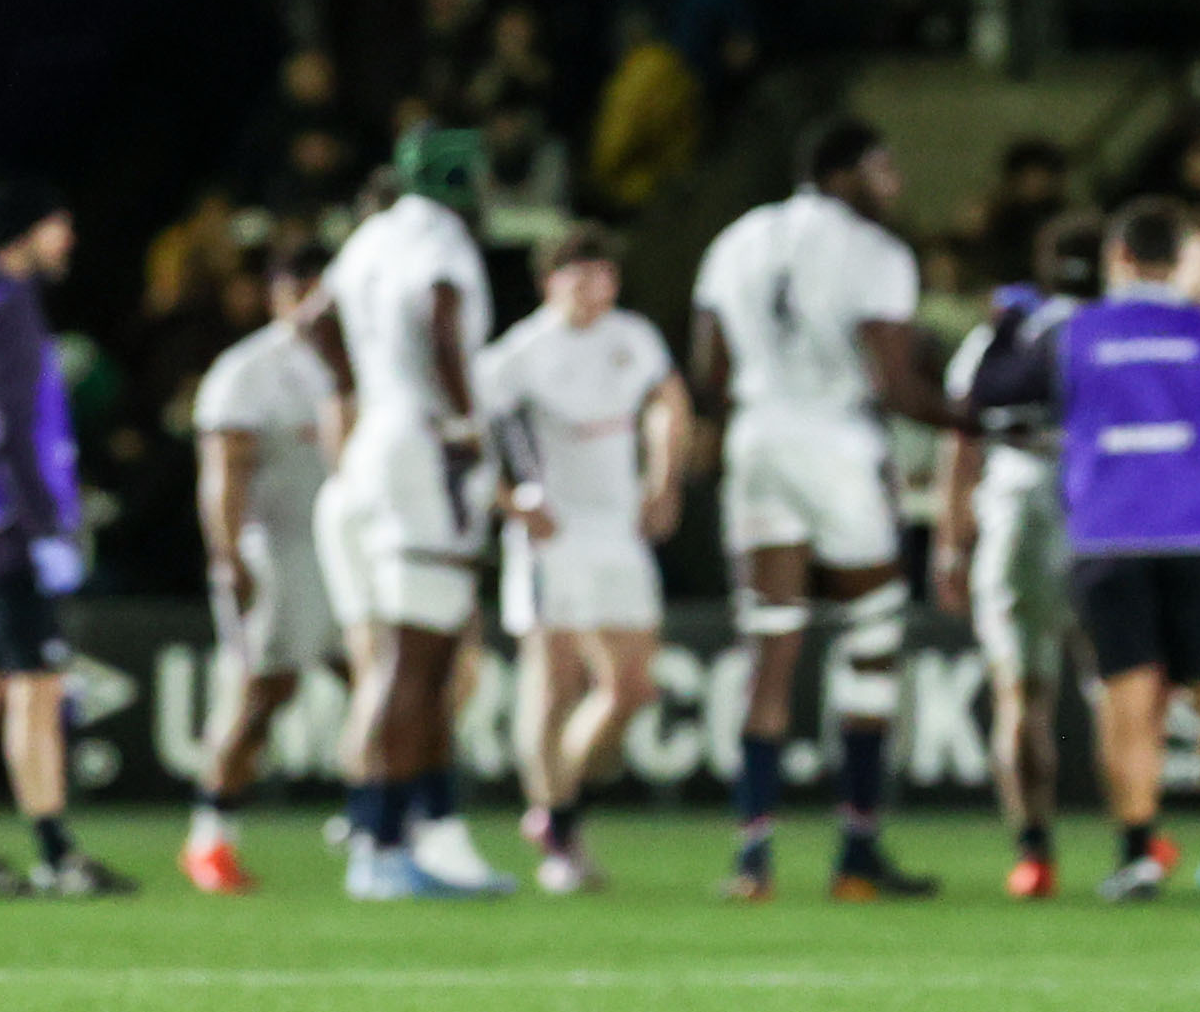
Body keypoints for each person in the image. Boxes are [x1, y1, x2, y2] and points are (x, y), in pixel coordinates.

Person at [962, 197, 1200, 900]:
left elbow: (987, 395)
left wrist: (1008, 326)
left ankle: (1139, 852)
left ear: (1118, 259)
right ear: (1181, 263)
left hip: (1110, 535)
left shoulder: (1074, 335)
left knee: (1130, 693)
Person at [687, 112, 954, 901]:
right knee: (870, 642)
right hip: (834, 449)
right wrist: (980, 420)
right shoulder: (875, 253)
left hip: (757, 443)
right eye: (883, 170)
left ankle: (752, 858)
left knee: (770, 653)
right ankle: (857, 855)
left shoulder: (738, 238)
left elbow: (709, 363)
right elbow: (895, 384)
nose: (895, 185)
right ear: (842, 173)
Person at [0, 177, 132, 898]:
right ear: (22, 233)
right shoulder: (8, 308)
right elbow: (10, 435)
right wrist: (44, 528)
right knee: (36, 689)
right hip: (1, 528)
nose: (66, 237)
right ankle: (56, 852)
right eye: (55, 223)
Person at [313, 137, 515, 899]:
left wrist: (357, 390)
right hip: (420, 446)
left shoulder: (374, 232)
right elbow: (441, 311)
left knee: (420, 662)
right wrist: (462, 419)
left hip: (375, 440)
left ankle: (435, 832)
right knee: (418, 658)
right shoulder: (440, 237)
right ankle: (382, 836)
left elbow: (314, 319)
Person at [473, 224, 688, 894]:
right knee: (554, 675)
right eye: (577, 276)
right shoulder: (521, 355)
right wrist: (510, 501)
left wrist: (664, 481)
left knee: (630, 688)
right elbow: (465, 438)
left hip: (616, 529)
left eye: (602, 276)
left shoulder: (634, 339)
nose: (592, 290)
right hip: (553, 536)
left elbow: (668, 403)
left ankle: (553, 805)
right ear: (549, 283)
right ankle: (561, 831)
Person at [933, 212, 1097, 898]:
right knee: (1120, 688)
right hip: (1096, 512)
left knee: (1020, 694)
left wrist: (949, 541)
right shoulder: (1113, 331)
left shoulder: (1001, 334)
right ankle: (1137, 841)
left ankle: (1032, 850)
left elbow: (961, 437)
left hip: (1011, 506)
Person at [178, 246, 339, 894]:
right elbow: (223, 475)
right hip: (276, 548)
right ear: (277, 296)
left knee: (391, 680)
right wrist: (228, 558)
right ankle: (210, 836)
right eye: (297, 288)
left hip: (344, 548)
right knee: (261, 693)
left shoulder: (354, 361)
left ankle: (382, 819)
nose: (310, 302)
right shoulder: (248, 371)